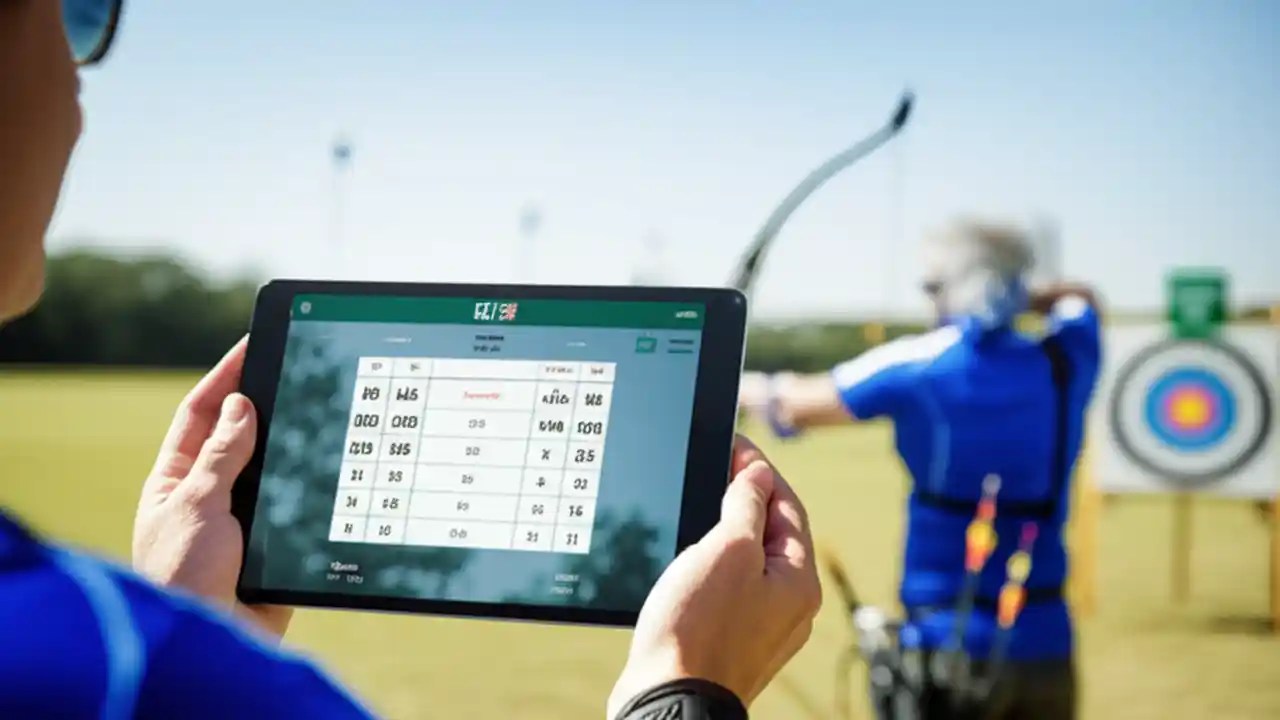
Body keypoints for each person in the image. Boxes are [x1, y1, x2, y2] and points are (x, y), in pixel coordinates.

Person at [0, 2, 821, 718]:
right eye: (74, 13)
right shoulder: (139, 678)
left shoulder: (145, 664)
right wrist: (683, 690)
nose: (79, 86)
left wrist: (200, 621)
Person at [743, 220, 1101, 719]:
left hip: (944, 657)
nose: (931, 302)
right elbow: (1084, 301)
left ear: (968, 286)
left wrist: (735, 384)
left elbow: (794, 405)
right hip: (1046, 648)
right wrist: (1016, 289)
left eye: (936, 287)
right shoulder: (1069, 356)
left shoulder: (925, 366)